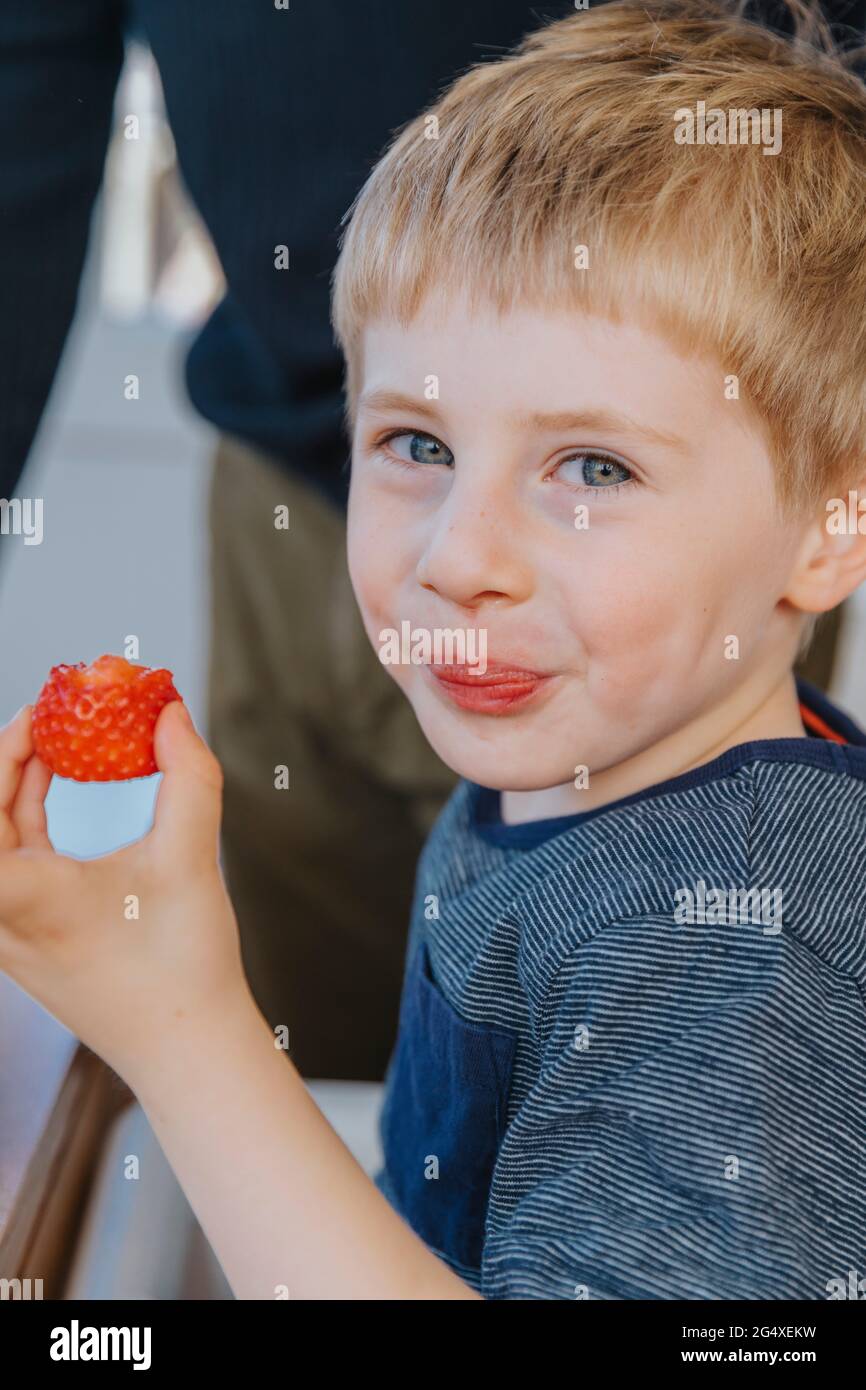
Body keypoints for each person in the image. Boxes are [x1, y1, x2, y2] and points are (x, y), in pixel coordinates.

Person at [2, 0, 866, 1299]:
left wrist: (176, 1029)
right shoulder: (596, 757)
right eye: (416, 443)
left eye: (590, 465)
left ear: (828, 527)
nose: (459, 556)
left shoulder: (729, 968)